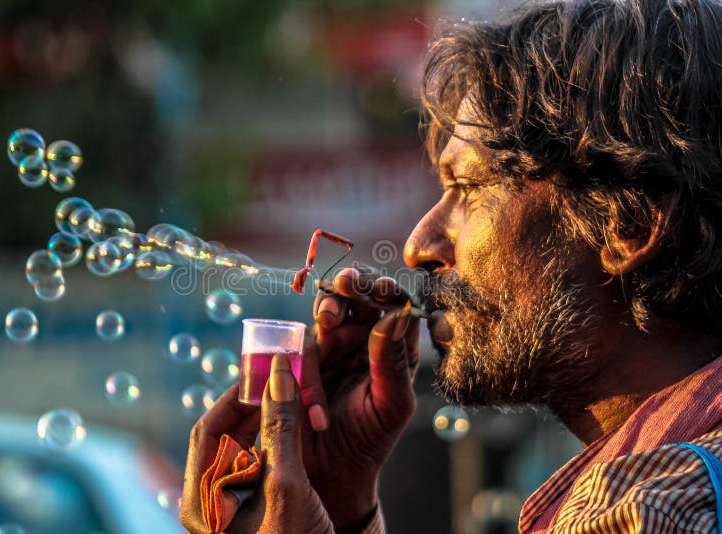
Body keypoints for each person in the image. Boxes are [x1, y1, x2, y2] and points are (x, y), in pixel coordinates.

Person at [181, 0, 722, 531]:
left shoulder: (648, 508)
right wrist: (342, 505)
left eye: (470, 187)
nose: (420, 244)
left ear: (626, 225)